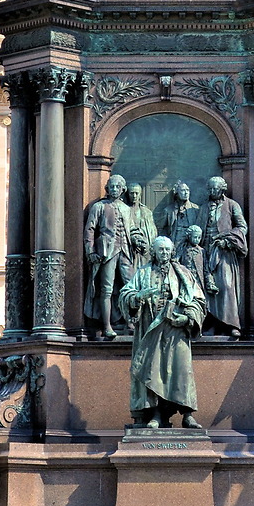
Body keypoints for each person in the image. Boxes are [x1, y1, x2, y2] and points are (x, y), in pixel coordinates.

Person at [118, 236, 205, 429]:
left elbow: (198, 300)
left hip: (176, 330)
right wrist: (137, 297)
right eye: (160, 250)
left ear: (172, 251)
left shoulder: (183, 273)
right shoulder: (143, 273)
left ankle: (187, 415)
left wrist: (188, 318)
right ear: (153, 252)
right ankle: (156, 415)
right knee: (153, 372)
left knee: (181, 372)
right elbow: (125, 294)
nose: (164, 253)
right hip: (152, 329)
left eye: (167, 249)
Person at [83, 175, 133, 340]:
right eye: (111, 186)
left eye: (117, 187)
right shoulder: (99, 207)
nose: (114, 189)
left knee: (130, 287)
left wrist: (138, 239)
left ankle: (130, 322)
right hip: (106, 252)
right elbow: (90, 229)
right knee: (106, 289)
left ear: (122, 189)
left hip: (125, 250)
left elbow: (131, 230)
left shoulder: (127, 209)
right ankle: (106, 326)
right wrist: (90, 251)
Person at [196, 176, 247, 338]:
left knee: (226, 286)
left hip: (224, 252)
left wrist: (229, 240)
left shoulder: (232, 205)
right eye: (210, 189)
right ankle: (211, 325)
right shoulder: (204, 207)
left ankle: (230, 324)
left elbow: (242, 226)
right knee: (206, 289)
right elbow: (198, 228)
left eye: (215, 189)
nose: (212, 192)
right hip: (206, 251)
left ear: (222, 189)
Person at [123, 183, 157, 278]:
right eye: (131, 193)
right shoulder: (124, 210)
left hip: (143, 250)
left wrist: (144, 243)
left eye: (136, 193)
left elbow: (152, 232)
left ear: (140, 195)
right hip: (128, 249)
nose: (134, 196)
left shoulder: (146, 212)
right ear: (127, 194)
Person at [157, 181, 199, 252]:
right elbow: (160, 229)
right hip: (175, 240)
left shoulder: (195, 209)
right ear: (176, 193)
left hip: (191, 243)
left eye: (187, 190)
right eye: (183, 190)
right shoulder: (168, 210)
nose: (186, 193)